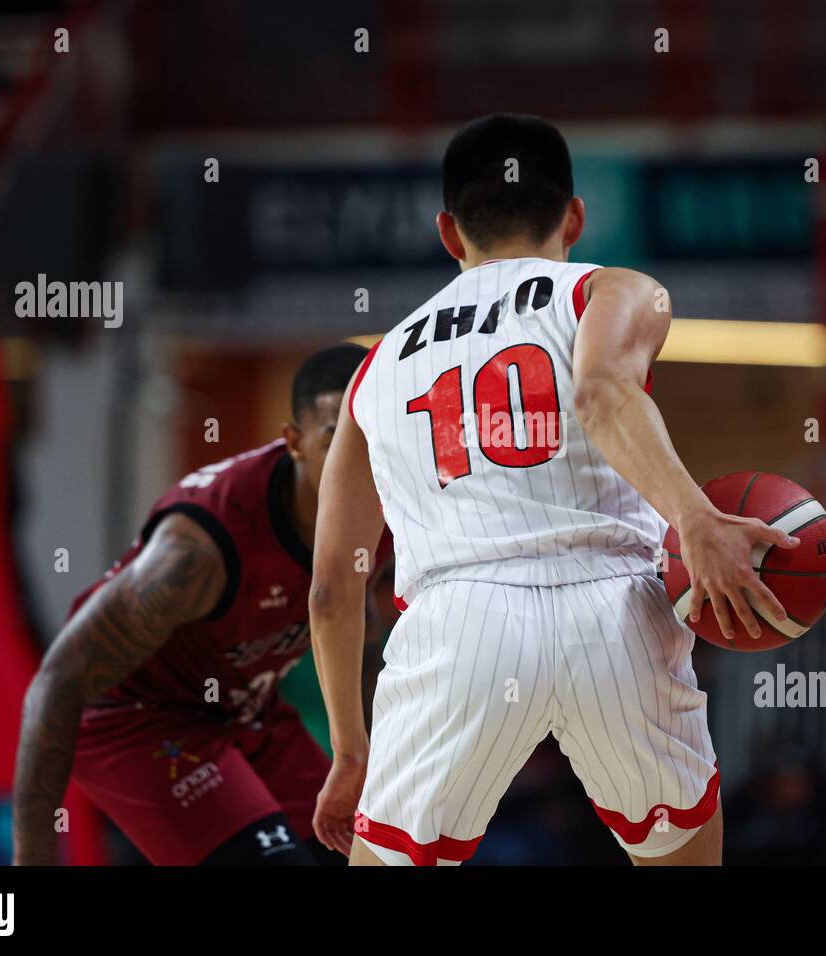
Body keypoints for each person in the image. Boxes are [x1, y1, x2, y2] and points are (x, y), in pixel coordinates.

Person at [307, 113, 798, 867]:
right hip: (616, 614)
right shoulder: (616, 289)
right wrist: (694, 519)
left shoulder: (375, 364)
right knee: (681, 854)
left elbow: (335, 588)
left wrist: (349, 749)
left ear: (448, 232)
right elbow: (602, 395)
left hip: (458, 629)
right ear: (574, 216)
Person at [13, 345, 390, 865]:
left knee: (367, 857)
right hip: (140, 721)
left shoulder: (384, 507)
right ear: (293, 442)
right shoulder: (196, 553)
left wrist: (370, 751)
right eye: (338, 441)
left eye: (375, 440)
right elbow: (55, 685)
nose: (358, 461)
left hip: (245, 709)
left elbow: (365, 632)